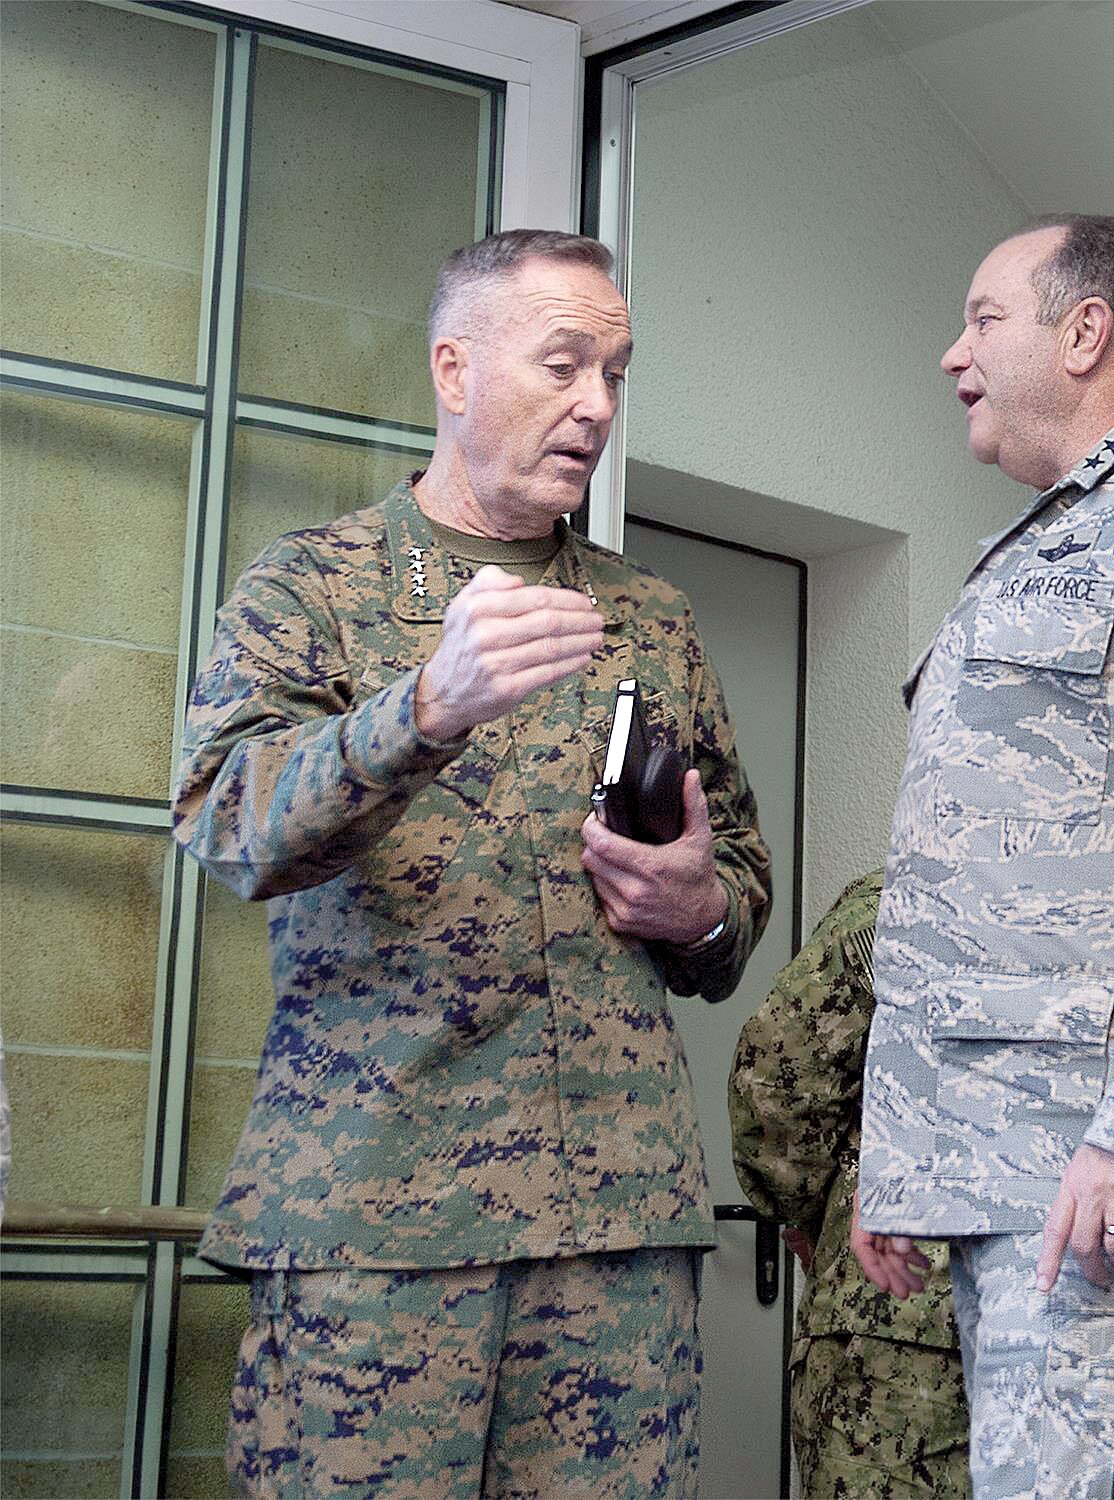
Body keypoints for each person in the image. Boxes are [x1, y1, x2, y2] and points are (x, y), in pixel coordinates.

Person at [174, 228, 771, 1498]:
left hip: (619, 1227)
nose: (596, 405)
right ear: (455, 370)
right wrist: (424, 707)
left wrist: (703, 908)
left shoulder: (648, 616)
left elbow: (737, 894)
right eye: (563, 365)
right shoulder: (314, 588)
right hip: (375, 1226)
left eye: (614, 372)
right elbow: (228, 821)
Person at [853, 214, 1114, 1499]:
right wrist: (900, 1159)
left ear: (1084, 330)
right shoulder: (1054, 531)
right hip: (994, 1173)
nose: (952, 354)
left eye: (984, 319)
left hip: (1086, 1177)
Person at [728, 872, 969, 1498]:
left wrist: (806, 1214)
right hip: (1097, 1310)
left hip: (899, 1312)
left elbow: (780, 1074)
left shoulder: (906, 898)